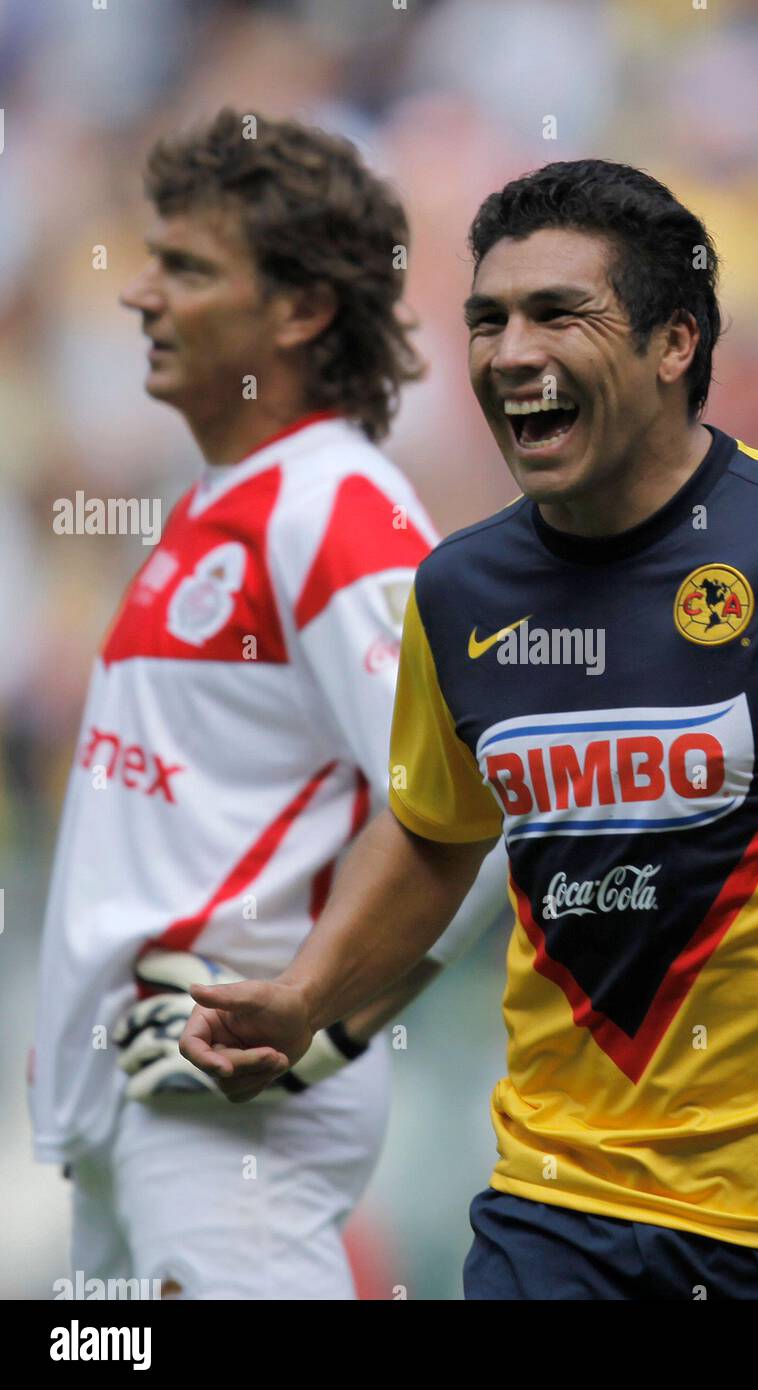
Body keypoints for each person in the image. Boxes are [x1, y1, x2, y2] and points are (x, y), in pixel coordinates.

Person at [182, 159, 758, 1300]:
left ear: (672, 345)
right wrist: (306, 993)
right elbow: (433, 833)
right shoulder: (459, 592)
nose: (510, 351)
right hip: (559, 1205)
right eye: (488, 320)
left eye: (557, 312)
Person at [29, 109, 505, 1301]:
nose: (138, 294)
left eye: (186, 267)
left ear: (297, 312)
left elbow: (473, 804)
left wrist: (319, 1020)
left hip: (224, 1125)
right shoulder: (223, 506)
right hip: (134, 1118)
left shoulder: (333, 516)